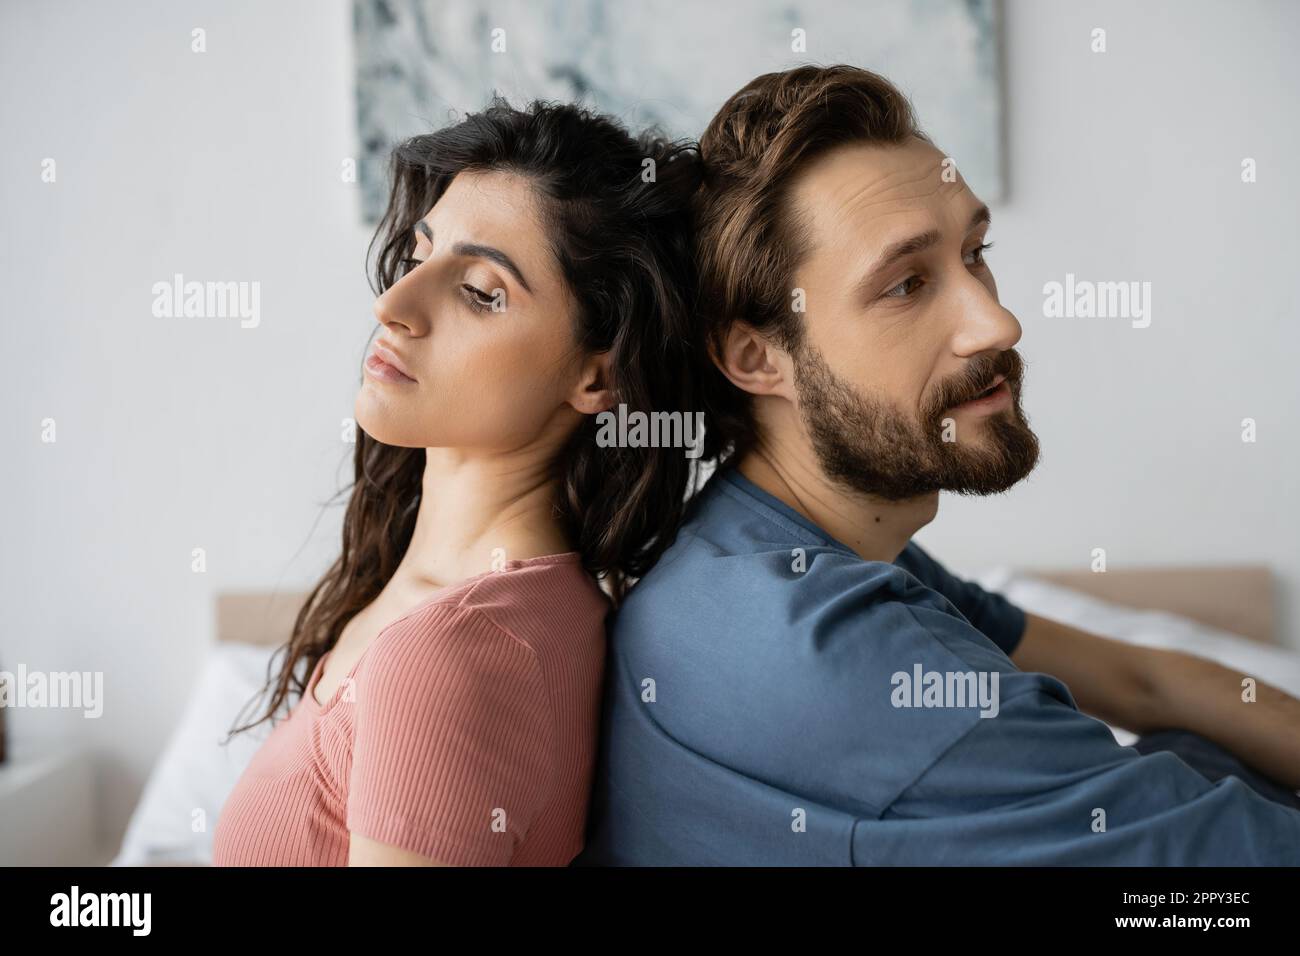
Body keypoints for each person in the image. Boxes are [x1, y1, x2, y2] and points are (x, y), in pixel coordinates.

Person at [577, 65, 1300, 865]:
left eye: (976, 253)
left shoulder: (768, 547)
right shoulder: (834, 649)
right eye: (907, 284)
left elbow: (1142, 682)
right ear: (757, 355)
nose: (999, 322)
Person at [212, 97, 702, 866]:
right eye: (419, 255)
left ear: (598, 375)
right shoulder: (511, 603)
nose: (393, 304)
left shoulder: (456, 651)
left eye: (480, 291)